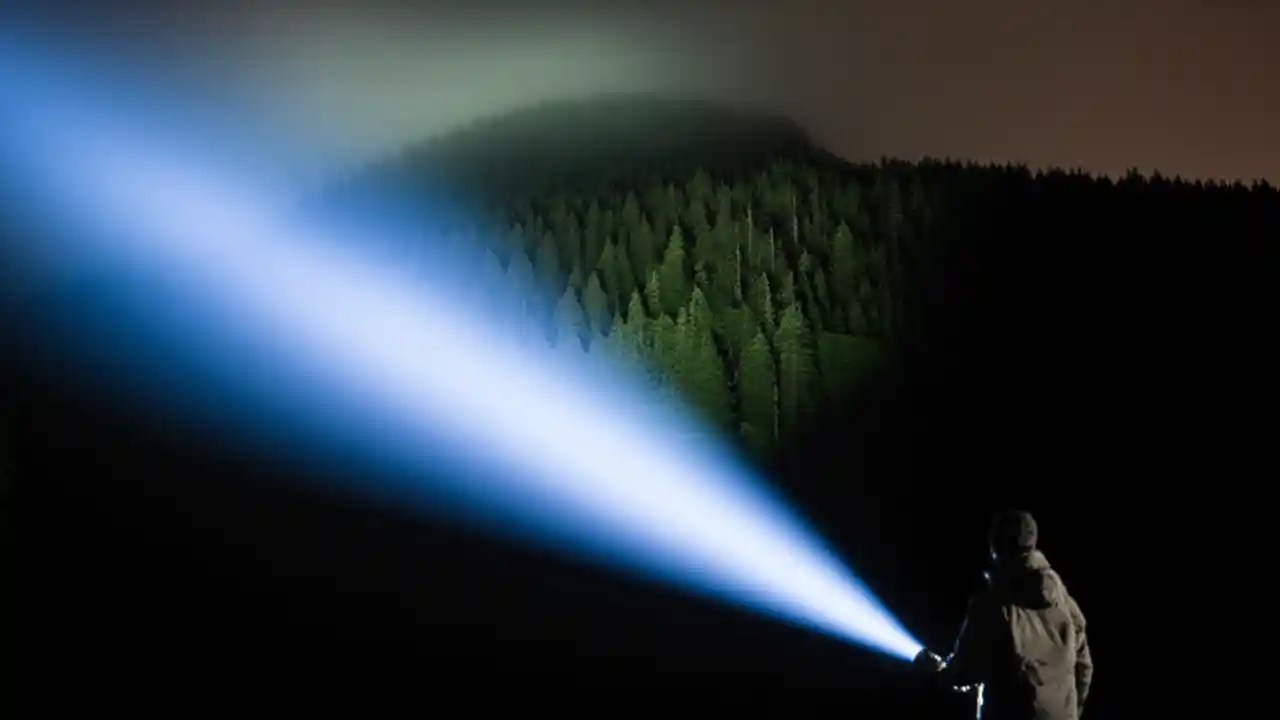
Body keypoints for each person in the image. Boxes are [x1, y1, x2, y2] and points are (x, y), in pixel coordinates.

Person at [916, 510, 1093, 719]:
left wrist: (936, 670)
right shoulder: (1064, 600)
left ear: (995, 546)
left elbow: (963, 673)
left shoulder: (992, 606)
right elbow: (1084, 667)